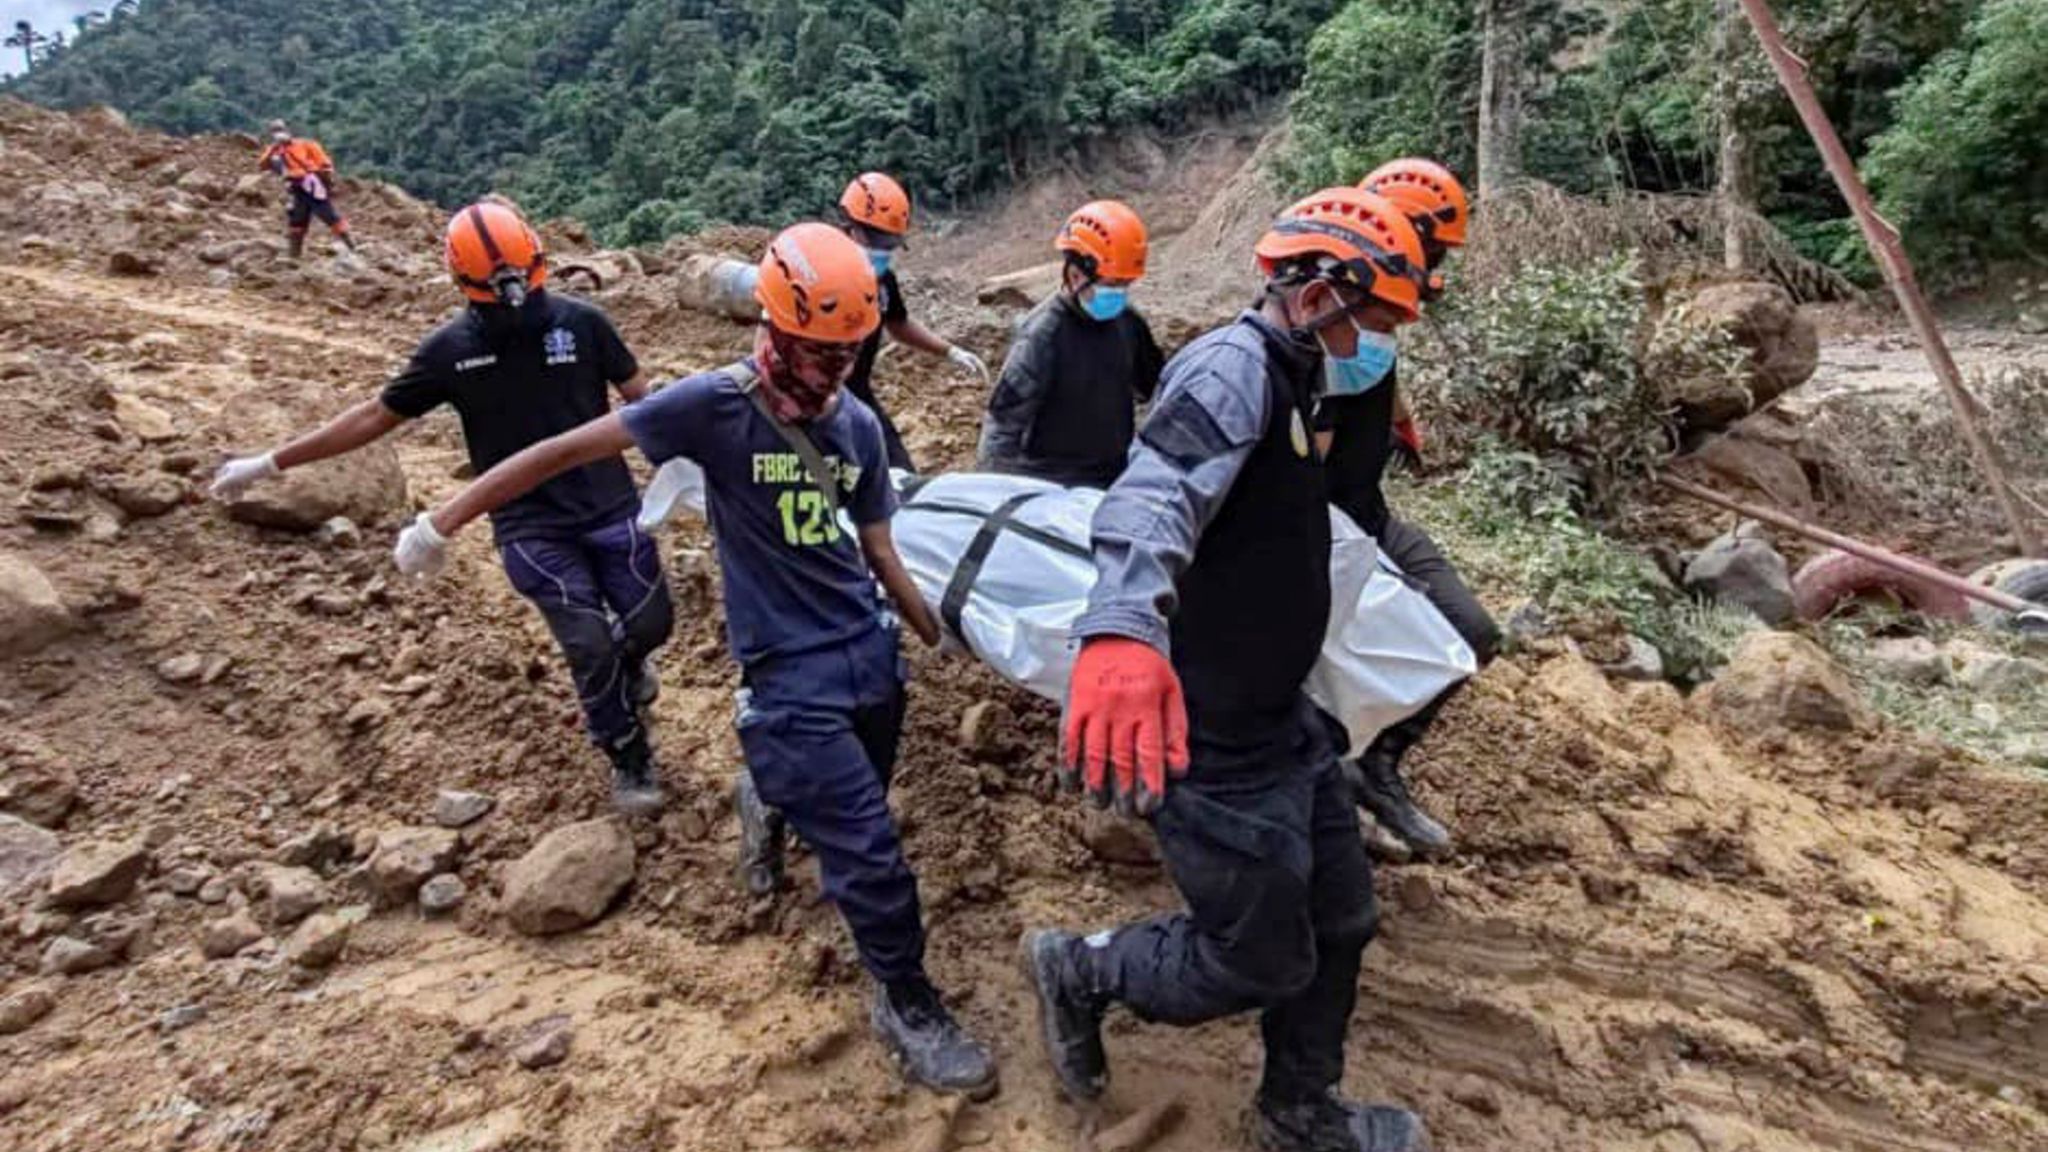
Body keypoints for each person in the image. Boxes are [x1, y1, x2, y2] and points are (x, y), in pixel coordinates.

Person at [391, 222, 999, 1100]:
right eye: (819, 353)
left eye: (848, 354)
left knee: (862, 787)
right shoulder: (710, 408)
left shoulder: (857, 425)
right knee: (870, 852)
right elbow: (560, 451)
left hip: (867, 655)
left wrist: (931, 628)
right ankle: (907, 1002)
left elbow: (876, 543)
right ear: (777, 329)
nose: (833, 373)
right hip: (786, 674)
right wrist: (441, 520)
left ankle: (767, 795)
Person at [1020, 188, 1433, 1152]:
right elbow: (1152, 497)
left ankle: (1299, 1112)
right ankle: (1080, 969)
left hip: (1281, 718)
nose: (1376, 337)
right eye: (1373, 314)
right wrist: (1121, 628)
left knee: (1343, 918)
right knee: (1259, 959)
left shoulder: (1294, 374)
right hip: (1210, 736)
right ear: (1325, 289)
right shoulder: (1229, 370)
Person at [208, 201, 672, 814]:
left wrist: (685, 455)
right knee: (586, 642)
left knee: (650, 622)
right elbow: (373, 417)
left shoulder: (586, 326)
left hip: (610, 505)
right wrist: (273, 462)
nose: (516, 305)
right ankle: (626, 753)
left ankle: (629, 663)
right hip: (529, 523)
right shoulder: (449, 353)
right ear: (466, 286)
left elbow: (645, 400)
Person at [1315, 158, 1500, 860]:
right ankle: (1325, 800)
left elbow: (1384, 367)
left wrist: (1404, 423)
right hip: (1320, 535)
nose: (1437, 265)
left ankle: (1376, 766)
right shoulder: (1324, 322)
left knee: (1470, 631)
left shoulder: (1379, 318)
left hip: (1369, 514)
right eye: (1437, 248)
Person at [977, 200, 1164, 488]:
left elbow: (1158, 386)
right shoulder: (1042, 336)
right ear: (1076, 275)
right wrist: (992, 494)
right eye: (1112, 284)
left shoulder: (1128, 323)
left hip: (1112, 476)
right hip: (1050, 484)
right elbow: (1002, 425)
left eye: (1126, 285)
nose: (1120, 294)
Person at [835, 172, 990, 472]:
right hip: (815, 399)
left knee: (898, 473)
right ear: (850, 227)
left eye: (889, 243)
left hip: (857, 395)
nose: (882, 251)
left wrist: (949, 351)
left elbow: (898, 323)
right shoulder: (820, 275)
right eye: (876, 239)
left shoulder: (882, 281)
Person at [258, 119, 358, 261]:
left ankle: (352, 246)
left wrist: (322, 176)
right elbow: (262, 164)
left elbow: (325, 164)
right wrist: (273, 150)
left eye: (280, 130)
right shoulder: (277, 152)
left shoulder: (305, 144)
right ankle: (294, 256)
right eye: (275, 131)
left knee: (328, 215)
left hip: (312, 185)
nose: (279, 134)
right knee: (297, 220)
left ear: (288, 130)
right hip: (296, 188)